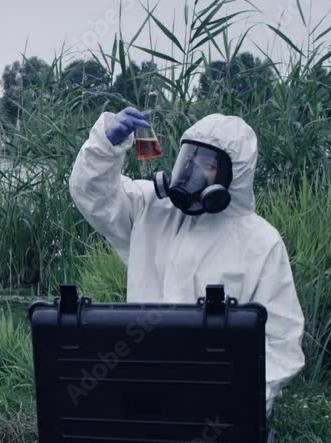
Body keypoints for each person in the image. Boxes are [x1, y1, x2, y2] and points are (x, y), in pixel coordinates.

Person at [69, 108, 305, 415]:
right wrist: (105, 146)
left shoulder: (260, 242)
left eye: (206, 163)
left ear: (233, 175)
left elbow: (281, 340)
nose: (192, 169)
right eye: (188, 158)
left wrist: (239, 398)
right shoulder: (152, 210)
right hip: (144, 384)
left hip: (218, 399)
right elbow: (94, 196)